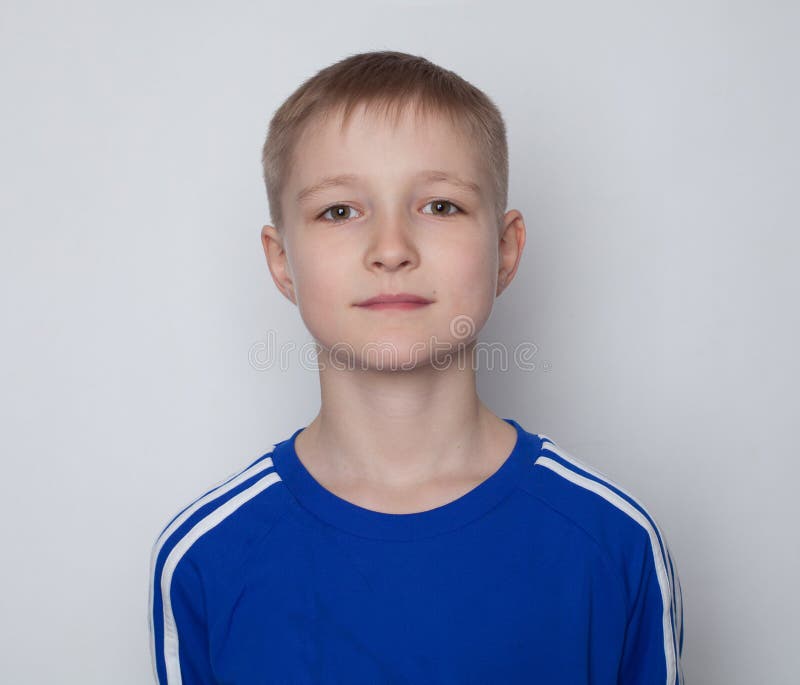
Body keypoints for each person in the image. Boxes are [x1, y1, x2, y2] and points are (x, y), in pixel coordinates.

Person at [149, 50, 684, 684]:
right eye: (340, 211)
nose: (392, 250)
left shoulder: (612, 542)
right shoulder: (205, 558)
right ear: (282, 261)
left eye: (440, 206)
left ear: (506, 250)